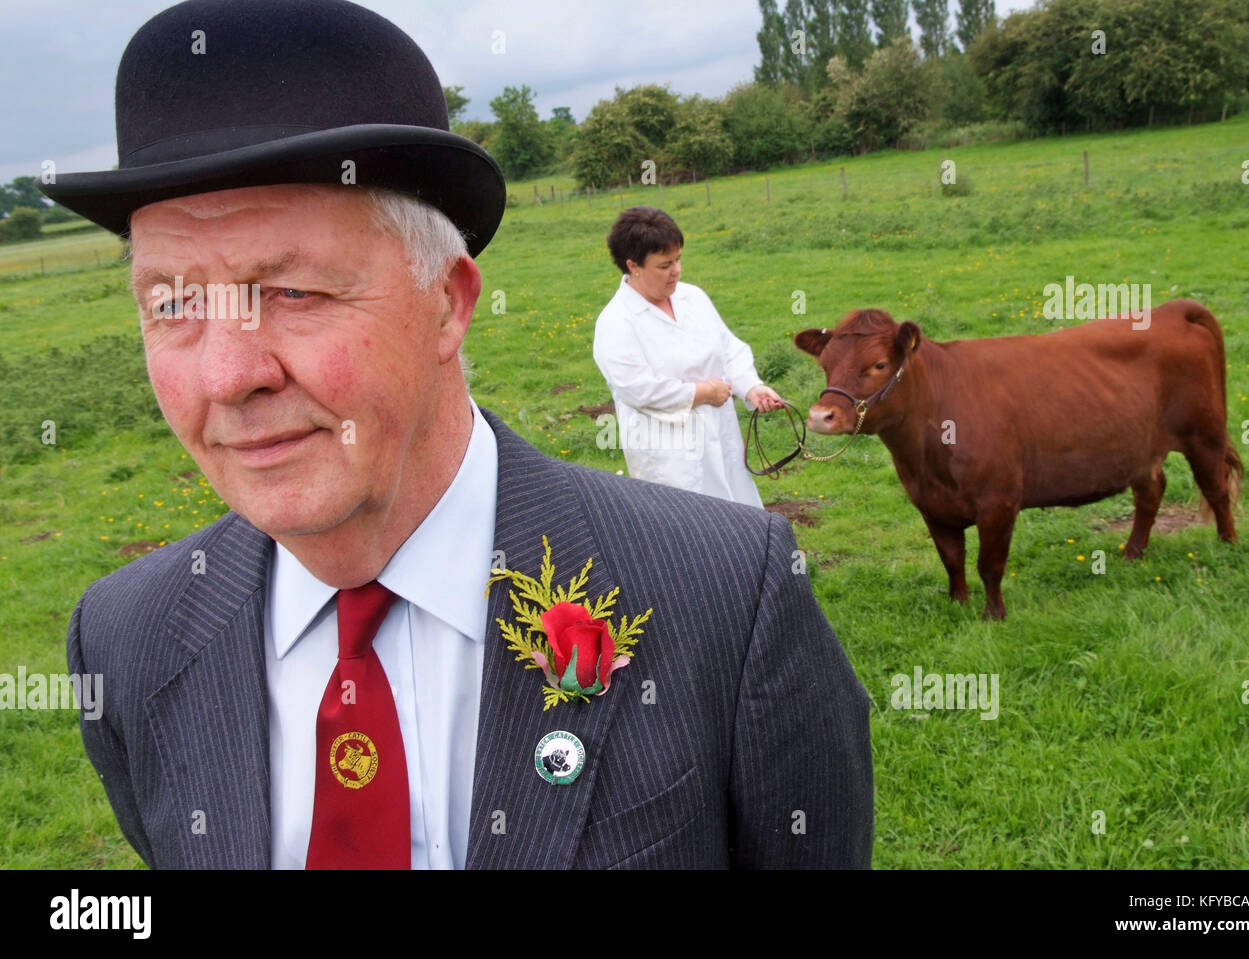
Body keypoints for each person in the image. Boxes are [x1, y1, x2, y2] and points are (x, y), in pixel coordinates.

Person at [47, 0, 872, 869]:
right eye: (172, 303)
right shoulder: (125, 641)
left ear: (447, 303)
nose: (225, 375)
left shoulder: (731, 599)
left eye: (291, 292)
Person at [593, 207, 783, 508]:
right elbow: (637, 389)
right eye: (665, 265)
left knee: (740, 520)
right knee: (687, 538)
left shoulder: (693, 297)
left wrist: (751, 388)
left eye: (678, 259)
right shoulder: (616, 322)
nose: (677, 271)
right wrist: (703, 393)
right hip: (671, 459)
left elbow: (729, 350)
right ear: (633, 266)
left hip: (721, 437)